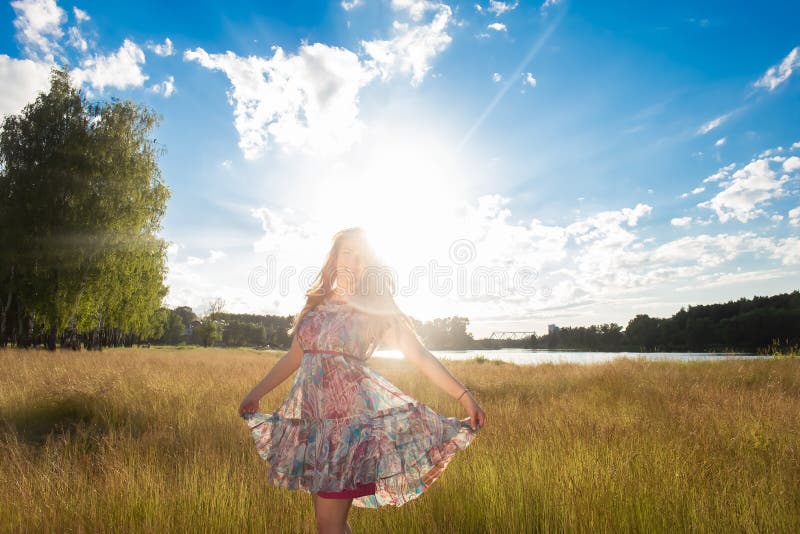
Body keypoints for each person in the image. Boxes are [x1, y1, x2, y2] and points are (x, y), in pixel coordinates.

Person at [238, 227, 486, 534]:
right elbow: (294, 356)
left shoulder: (374, 310)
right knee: (330, 525)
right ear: (335, 257)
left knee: (329, 526)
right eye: (348, 253)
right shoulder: (316, 304)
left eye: (362, 256)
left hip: (349, 430)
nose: (354, 262)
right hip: (315, 428)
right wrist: (256, 393)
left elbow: (418, 355)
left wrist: (464, 396)